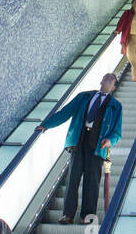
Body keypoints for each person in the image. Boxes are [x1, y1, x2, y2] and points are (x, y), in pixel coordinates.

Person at [37, 74, 122, 222]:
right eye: (106, 77)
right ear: (101, 80)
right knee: (72, 179)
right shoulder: (84, 97)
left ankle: (87, 216)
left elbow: (117, 132)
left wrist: (110, 140)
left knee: (92, 181)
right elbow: (66, 112)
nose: (108, 80)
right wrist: (46, 125)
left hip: (97, 146)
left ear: (114, 87)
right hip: (78, 141)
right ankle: (68, 215)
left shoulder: (116, 106)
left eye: (112, 80)